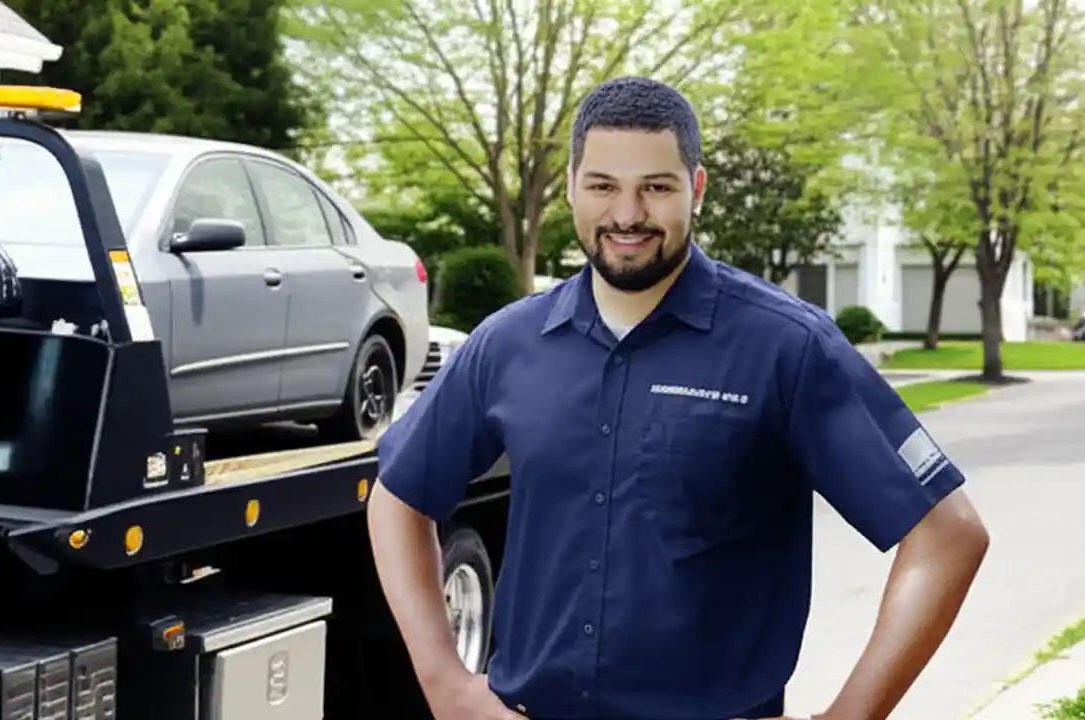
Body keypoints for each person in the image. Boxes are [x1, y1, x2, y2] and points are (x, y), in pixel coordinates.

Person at [366, 76, 990, 720]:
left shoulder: (786, 347)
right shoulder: (509, 344)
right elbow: (399, 496)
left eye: (656, 187)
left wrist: (851, 715)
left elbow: (947, 535)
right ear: (573, 185)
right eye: (603, 186)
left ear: (696, 188)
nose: (628, 214)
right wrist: (445, 682)